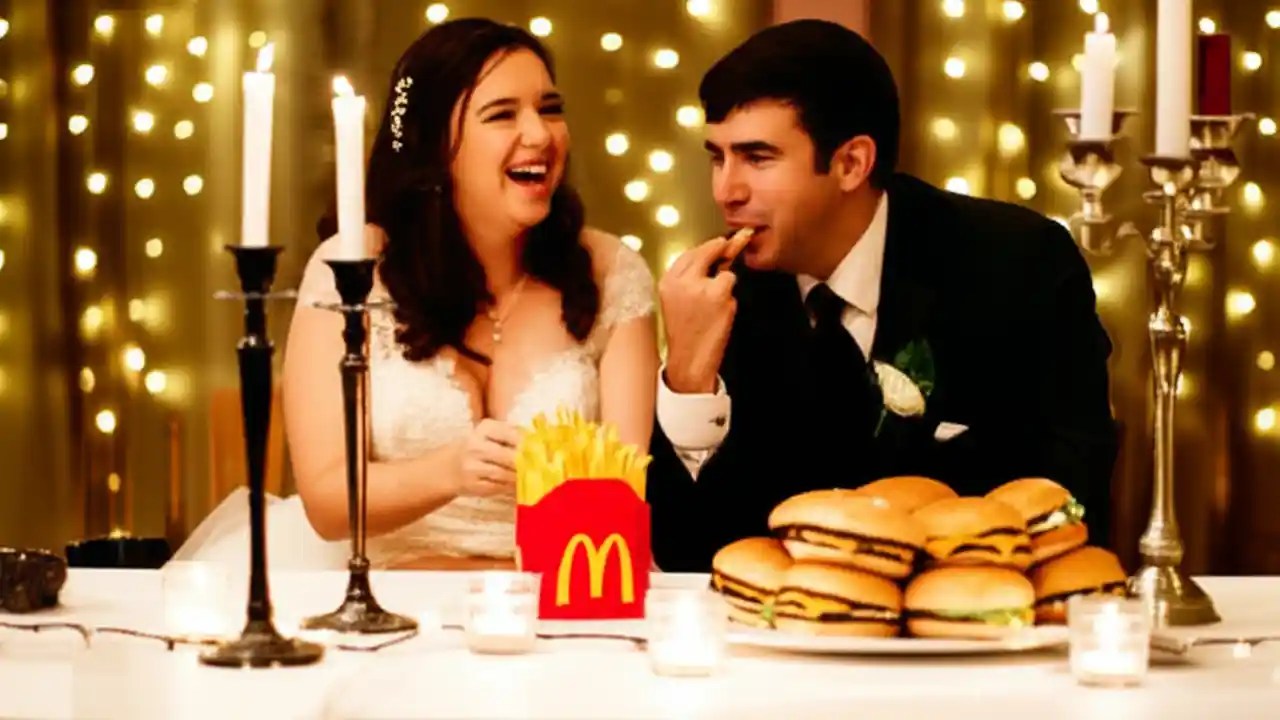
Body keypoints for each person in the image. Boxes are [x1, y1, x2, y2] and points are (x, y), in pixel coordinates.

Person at [173, 18, 658, 571]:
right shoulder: (351, 269)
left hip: (557, 602)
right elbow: (329, 504)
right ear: (434, 147)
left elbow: (624, 491)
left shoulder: (612, 275)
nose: (541, 135)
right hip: (383, 598)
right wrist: (451, 472)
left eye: (549, 108)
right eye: (502, 115)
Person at [648, 20, 1118, 572]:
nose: (726, 191)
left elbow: (1073, 500)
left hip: (972, 636)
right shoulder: (725, 295)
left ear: (851, 163)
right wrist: (688, 377)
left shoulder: (1017, 263)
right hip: (789, 644)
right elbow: (685, 553)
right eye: (717, 157)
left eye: (757, 158)